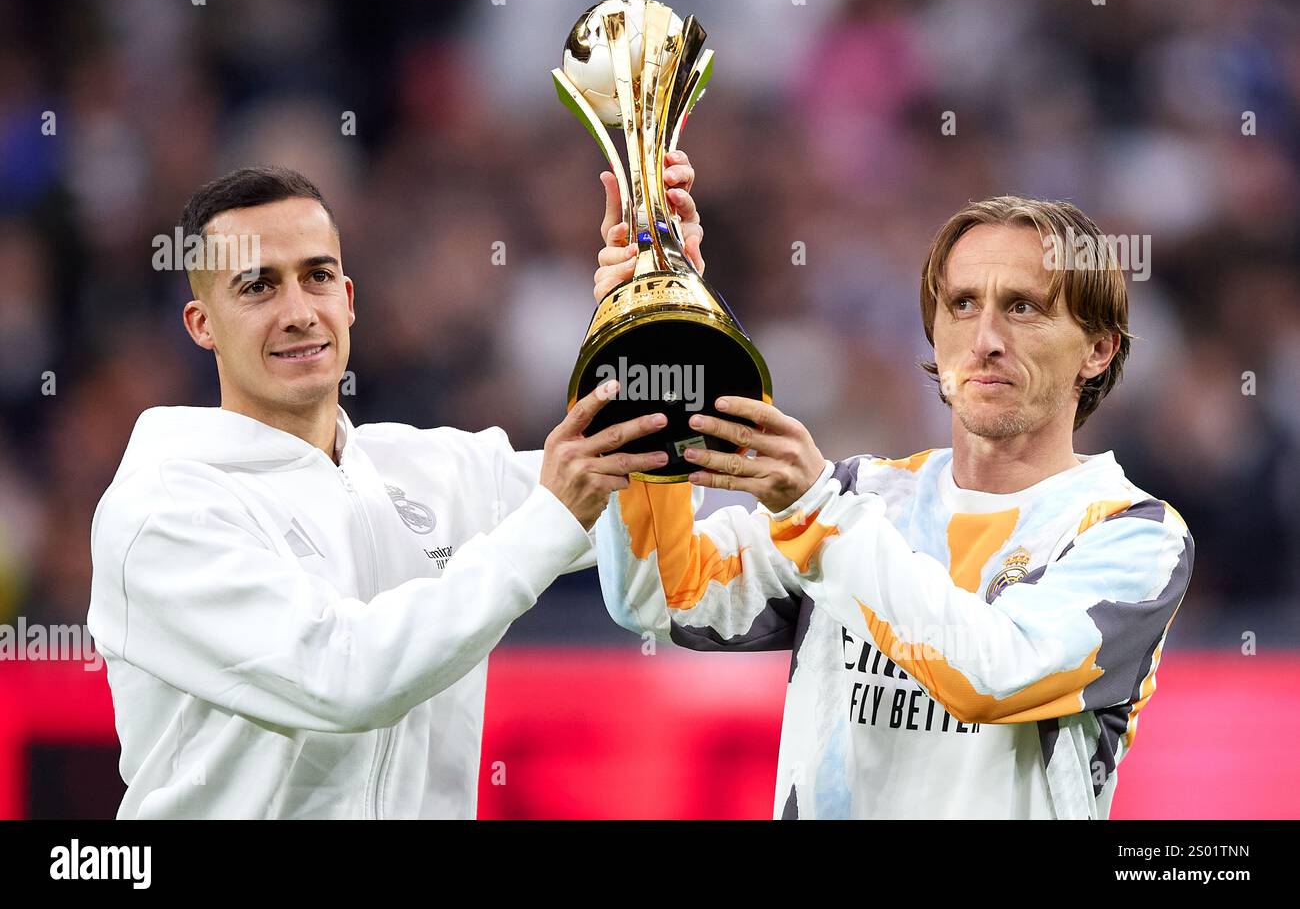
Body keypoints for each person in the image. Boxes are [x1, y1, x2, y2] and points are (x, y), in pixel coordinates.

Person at [86, 155, 702, 818]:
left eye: (317, 276)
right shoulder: (161, 513)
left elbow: (646, 472)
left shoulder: (432, 468)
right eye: (258, 286)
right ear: (201, 324)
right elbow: (343, 678)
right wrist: (550, 519)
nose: (298, 312)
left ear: (348, 300)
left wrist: (659, 309)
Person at [592, 195, 1194, 819]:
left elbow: (993, 678)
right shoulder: (860, 497)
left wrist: (816, 511)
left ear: (1098, 350)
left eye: (1023, 307)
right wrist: (654, 334)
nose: (985, 340)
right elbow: (657, 594)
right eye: (963, 305)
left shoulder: (1133, 536)